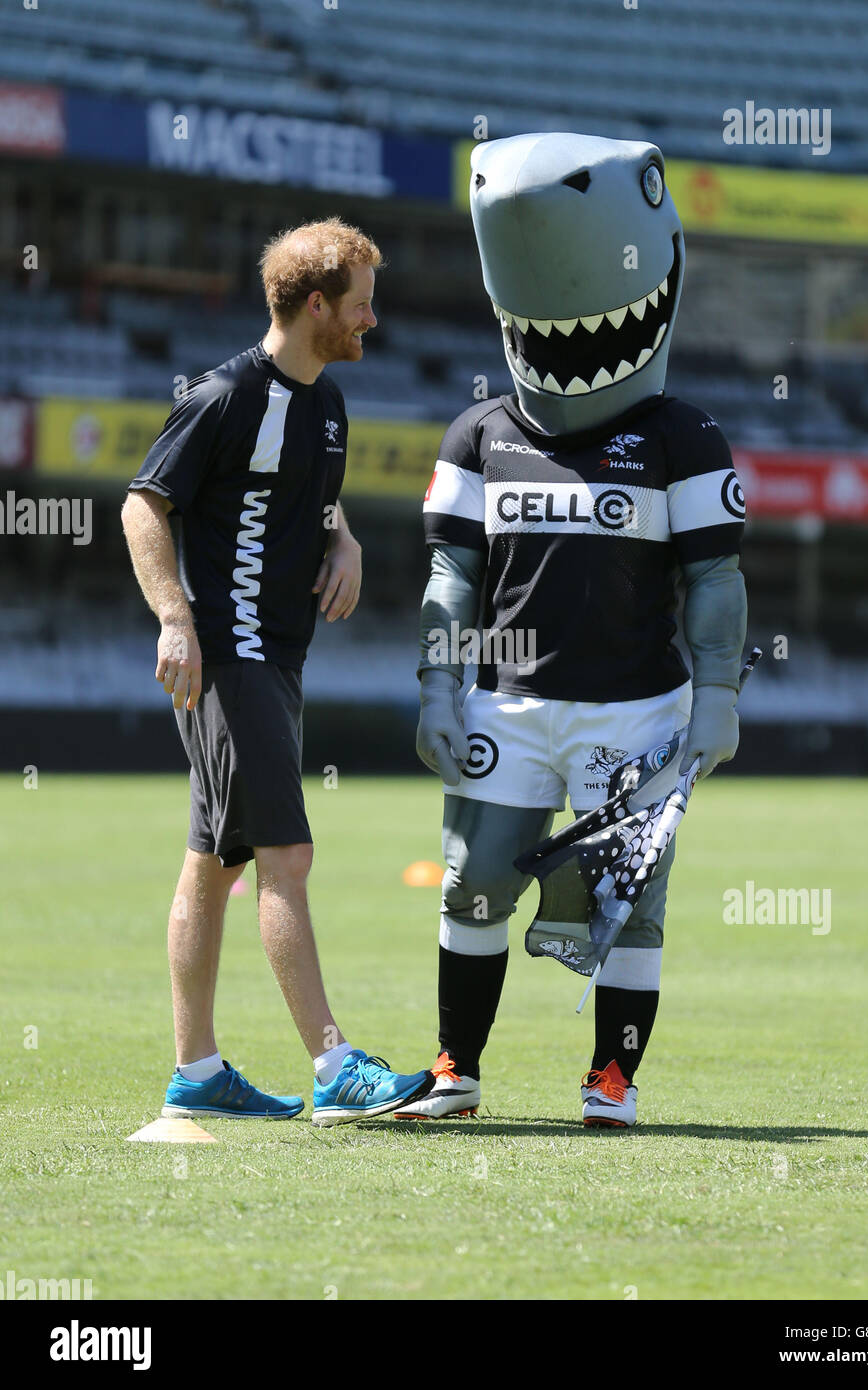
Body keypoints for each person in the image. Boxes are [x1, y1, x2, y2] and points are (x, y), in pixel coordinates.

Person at [400, 134, 747, 1127]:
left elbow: (714, 577)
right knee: (471, 888)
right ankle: (453, 1069)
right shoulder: (478, 435)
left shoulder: (684, 437)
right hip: (502, 703)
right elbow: (450, 573)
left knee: (630, 906)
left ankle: (612, 1078)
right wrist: (436, 684)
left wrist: (717, 694)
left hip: (638, 709)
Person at [120, 217, 432, 1127]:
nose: (373, 322)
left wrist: (347, 539)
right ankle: (337, 1069)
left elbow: (315, 502)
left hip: (278, 661)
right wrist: (176, 620)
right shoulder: (221, 397)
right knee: (285, 857)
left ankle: (196, 1071)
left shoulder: (329, 403)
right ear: (315, 305)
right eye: (363, 306)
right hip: (229, 660)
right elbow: (146, 505)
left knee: (211, 866)